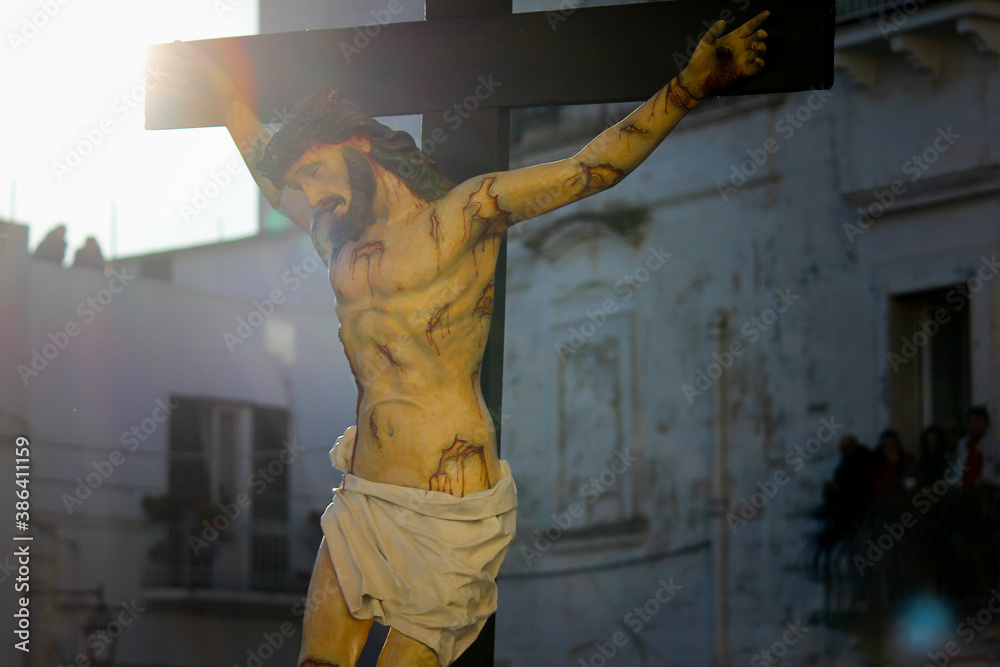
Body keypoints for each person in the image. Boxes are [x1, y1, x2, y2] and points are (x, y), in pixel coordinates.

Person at [163, 12, 771, 667]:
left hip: (448, 504)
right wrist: (228, 102)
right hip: (363, 496)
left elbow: (590, 168)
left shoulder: (464, 217)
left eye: (315, 175)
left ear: (358, 146)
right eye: (301, 188)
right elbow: (269, 173)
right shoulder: (336, 236)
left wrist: (689, 85)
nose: (309, 197)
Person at [956, 406, 1000, 487]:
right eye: (974, 423)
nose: (977, 427)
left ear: (986, 424)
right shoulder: (963, 444)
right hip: (965, 491)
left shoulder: (995, 445)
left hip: (986, 492)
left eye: (980, 423)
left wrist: (990, 481)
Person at [870, 429, 915, 496]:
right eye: (886, 445)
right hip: (883, 500)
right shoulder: (877, 463)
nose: (890, 447)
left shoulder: (907, 460)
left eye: (892, 444)